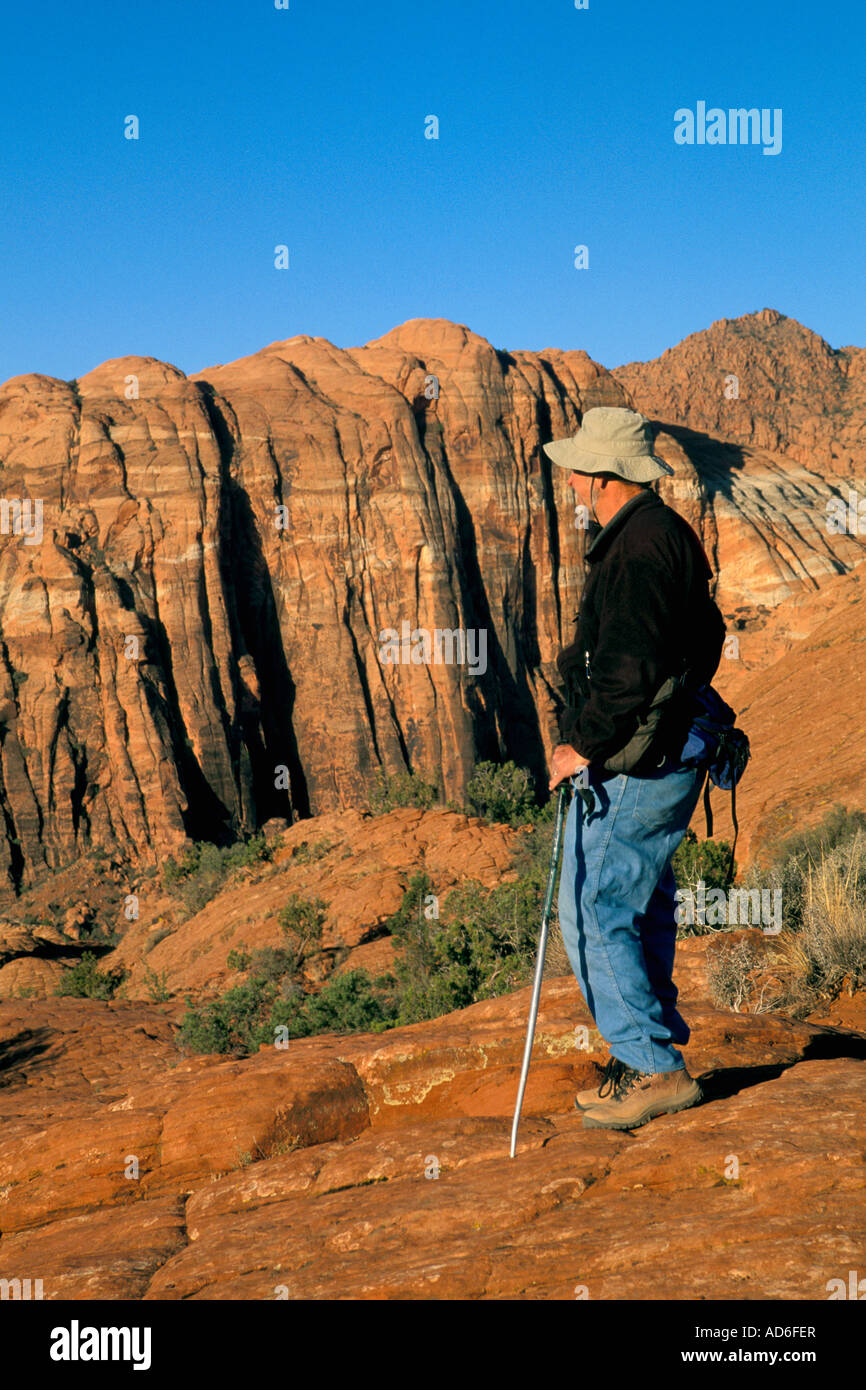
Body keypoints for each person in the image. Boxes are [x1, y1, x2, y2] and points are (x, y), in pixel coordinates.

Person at [543, 406, 726, 1130]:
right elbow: (705, 636)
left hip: (638, 763)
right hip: (670, 751)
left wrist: (580, 744)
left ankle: (653, 1066)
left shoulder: (639, 548)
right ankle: (647, 1051)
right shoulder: (664, 535)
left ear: (599, 476)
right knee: (641, 901)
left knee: (592, 907)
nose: (572, 486)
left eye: (576, 474)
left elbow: (627, 667)